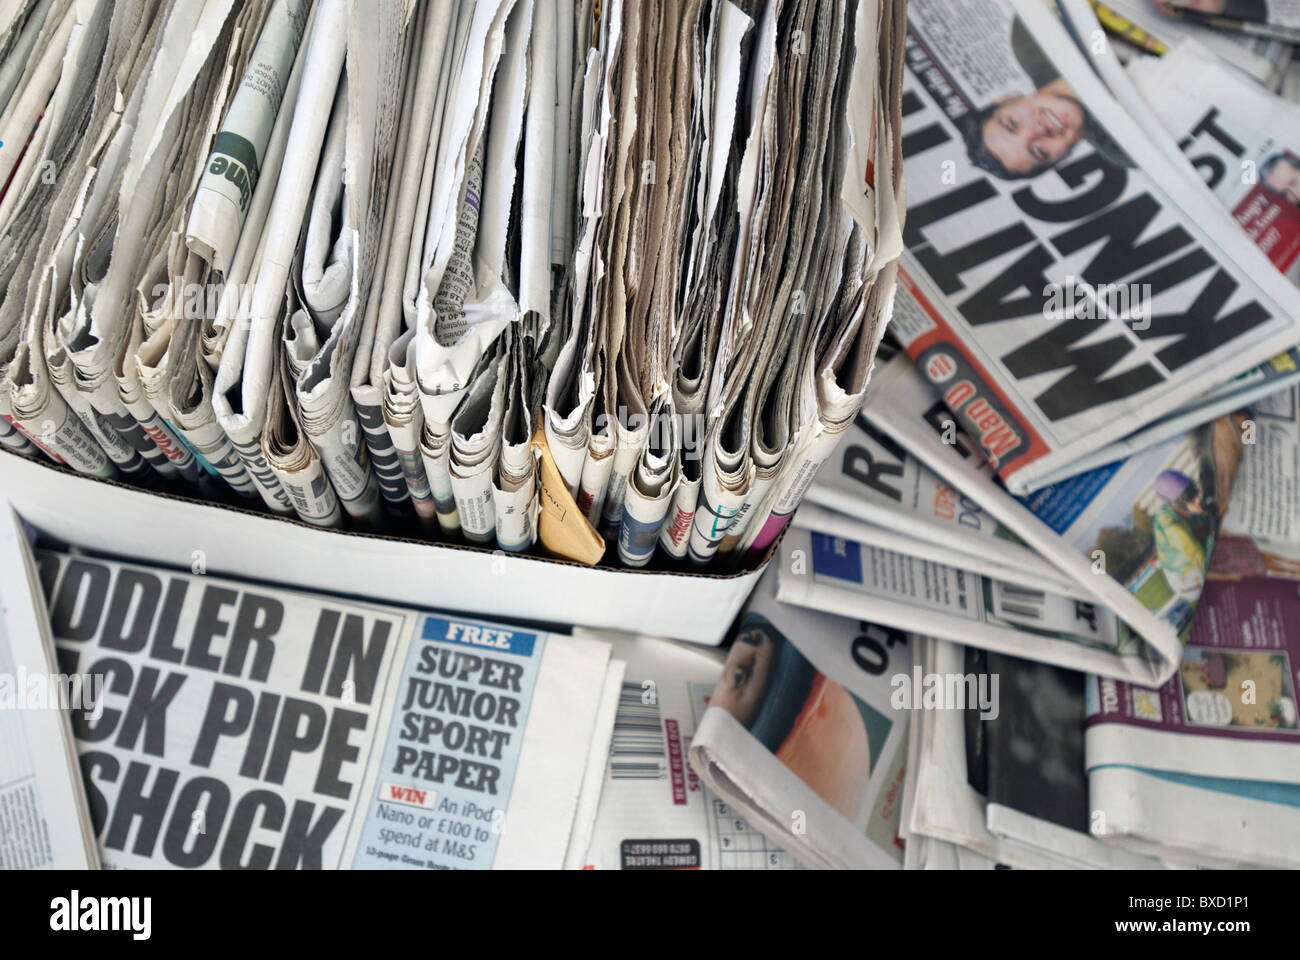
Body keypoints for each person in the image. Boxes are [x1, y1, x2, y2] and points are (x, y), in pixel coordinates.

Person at [959, 17, 1130, 180]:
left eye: (1012, 124)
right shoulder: (1124, 148)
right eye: (1039, 151)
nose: (1039, 131)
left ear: (1006, 99)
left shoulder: (1030, 38)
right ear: (1061, 160)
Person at [1151, 469, 1214, 597]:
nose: (1197, 499)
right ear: (1175, 504)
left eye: (1194, 490)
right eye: (1189, 496)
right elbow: (1196, 554)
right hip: (1187, 582)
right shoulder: (1169, 524)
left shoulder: (1184, 507)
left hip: (1193, 548)